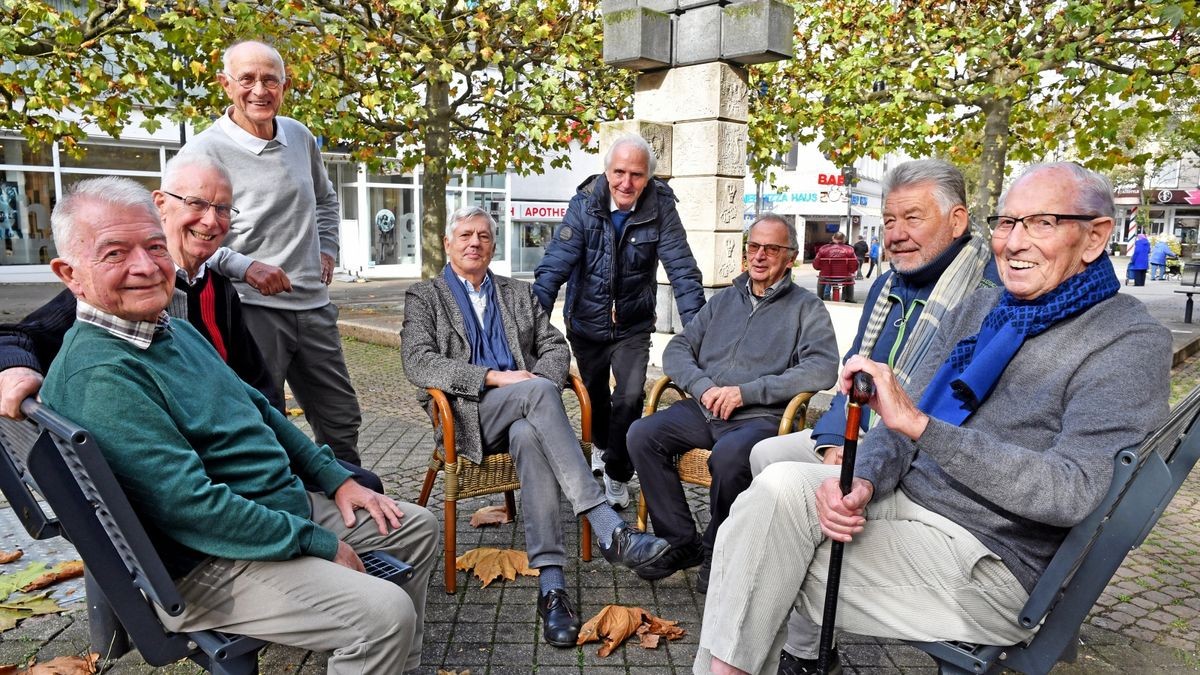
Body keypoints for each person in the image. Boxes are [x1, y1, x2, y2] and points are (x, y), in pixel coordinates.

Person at [695, 162, 1171, 675]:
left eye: (1041, 223)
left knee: (755, 559)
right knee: (775, 489)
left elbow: (1073, 491)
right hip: (911, 502)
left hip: (994, 558)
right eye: (1008, 222)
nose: (1013, 242)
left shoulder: (1127, 341)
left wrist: (924, 428)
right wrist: (861, 482)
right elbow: (899, 418)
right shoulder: (987, 307)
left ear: (1096, 236)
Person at [39, 177, 438, 675]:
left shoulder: (173, 329)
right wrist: (317, 541)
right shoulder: (103, 374)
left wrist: (337, 479)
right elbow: (194, 510)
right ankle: (378, 648)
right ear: (69, 274)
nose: (144, 266)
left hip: (263, 514)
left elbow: (261, 408)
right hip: (205, 563)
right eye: (115, 253)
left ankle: (395, 666)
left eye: (154, 246)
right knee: (381, 615)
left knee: (415, 527)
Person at [748, 159, 998, 674]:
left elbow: (948, 407)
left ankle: (804, 649)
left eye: (912, 218)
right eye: (888, 221)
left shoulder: (982, 295)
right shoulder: (887, 287)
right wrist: (834, 440)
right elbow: (850, 372)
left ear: (957, 221)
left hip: (915, 455)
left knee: (794, 490)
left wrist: (858, 455)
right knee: (765, 453)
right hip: (857, 434)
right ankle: (804, 625)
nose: (896, 235)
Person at [0, 157, 383, 492]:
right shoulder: (123, 289)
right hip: (194, 468)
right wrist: (15, 370)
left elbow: (258, 386)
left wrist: (281, 453)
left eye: (223, 209)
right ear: (160, 205)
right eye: (197, 204)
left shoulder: (217, 287)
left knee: (362, 482)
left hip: (243, 450)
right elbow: (17, 335)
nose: (211, 220)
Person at [401, 206, 670, 648]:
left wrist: (536, 386)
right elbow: (419, 362)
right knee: (538, 395)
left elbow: (553, 345)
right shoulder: (424, 297)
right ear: (448, 244)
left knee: (531, 430)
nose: (474, 243)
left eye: (484, 236)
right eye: (465, 235)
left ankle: (552, 589)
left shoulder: (516, 293)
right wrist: (498, 378)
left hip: (524, 415)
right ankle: (607, 527)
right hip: (468, 418)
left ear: (493, 244)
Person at [626, 214, 840, 592]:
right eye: (753, 247)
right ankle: (681, 542)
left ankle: (718, 550)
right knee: (642, 434)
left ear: (790, 257)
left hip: (760, 416)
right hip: (704, 407)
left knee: (728, 459)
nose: (759, 256)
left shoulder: (807, 308)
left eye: (771, 249)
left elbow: (822, 369)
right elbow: (678, 348)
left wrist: (748, 392)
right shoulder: (725, 299)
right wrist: (703, 385)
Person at [180, 40, 365, 466]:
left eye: (270, 80)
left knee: (341, 418)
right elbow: (187, 235)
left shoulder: (299, 136)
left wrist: (328, 248)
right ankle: (286, 514)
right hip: (251, 308)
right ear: (226, 84)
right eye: (246, 79)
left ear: (284, 86)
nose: (259, 90)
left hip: (314, 306)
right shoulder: (203, 152)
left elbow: (326, 199)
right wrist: (245, 267)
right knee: (264, 419)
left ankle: (356, 504)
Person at [533, 134, 705, 509]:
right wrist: (528, 328)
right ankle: (600, 446)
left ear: (649, 178)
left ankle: (616, 472)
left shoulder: (660, 207)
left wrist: (699, 335)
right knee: (594, 395)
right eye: (619, 172)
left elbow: (683, 272)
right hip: (585, 321)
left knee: (629, 397)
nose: (626, 183)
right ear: (606, 171)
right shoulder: (584, 204)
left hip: (633, 324)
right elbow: (554, 267)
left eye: (637, 175)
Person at [812, 232, 858, 300]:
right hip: (844, 277)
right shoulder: (850, 249)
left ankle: (819, 297)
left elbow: (816, 264)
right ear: (844, 239)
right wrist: (849, 270)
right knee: (850, 278)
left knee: (821, 278)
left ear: (833, 238)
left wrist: (821, 268)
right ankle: (849, 299)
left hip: (827, 277)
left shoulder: (823, 248)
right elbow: (854, 265)